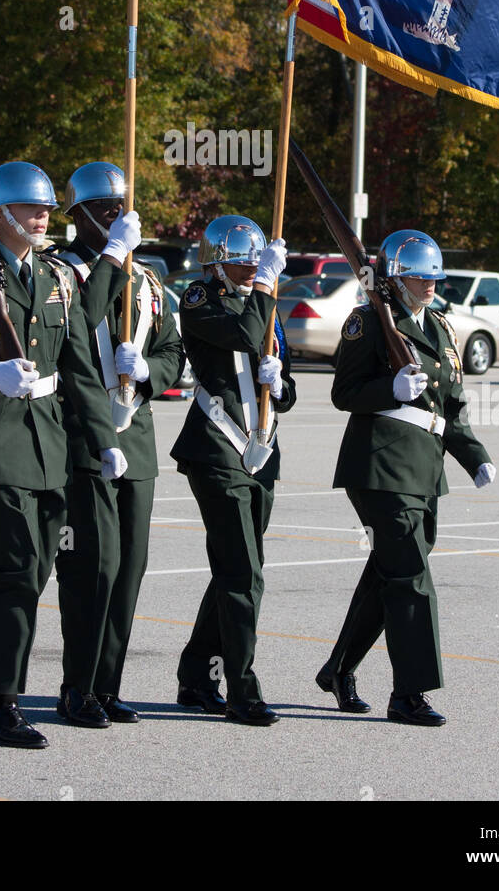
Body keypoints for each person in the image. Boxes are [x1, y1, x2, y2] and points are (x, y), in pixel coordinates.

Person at [0, 161, 132, 750]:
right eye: (31, 210)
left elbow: (78, 369)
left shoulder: (56, 278)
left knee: (31, 572)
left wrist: (104, 440)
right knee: (17, 567)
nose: (44, 218)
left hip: (47, 442)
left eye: (46, 209)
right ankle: (1, 704)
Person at [318, 229, 496, 727]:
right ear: (395, 278)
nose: (432, 284)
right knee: (412, 577)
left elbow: (451, 405)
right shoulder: (371, 321)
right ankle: (409, 693)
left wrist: (474, 456)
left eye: (435, 276)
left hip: (425, 467)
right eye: (421, 277)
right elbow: (346, 392)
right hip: (380, 465)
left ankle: (338, 669)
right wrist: (389, 389)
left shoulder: (440, 326)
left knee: (389, 573)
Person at [51, 162, 186, 727]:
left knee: (128, 568)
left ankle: (106, 685)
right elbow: (77, 323)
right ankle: (74, 687)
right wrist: (110, 258)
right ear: (76, 216)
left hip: (138, 436)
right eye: (102, 210)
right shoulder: (62, 272)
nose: (113, 217)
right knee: (92, 568)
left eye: (120, 208)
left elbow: (175, 350)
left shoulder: (149, 280)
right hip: (84, 436)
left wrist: (149, 369)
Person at [171, 215, 295, 727]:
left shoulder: (265, 306)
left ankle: (197, 675)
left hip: (262, 451)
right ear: (216, 262)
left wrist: (280, 381)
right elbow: (244, 332)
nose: (250, 268)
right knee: (244, 574)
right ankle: (242, 689)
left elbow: (286, 393)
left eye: (256, 261)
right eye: (242, 261)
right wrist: (265, 286)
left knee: (234, 570)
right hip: (217, 449)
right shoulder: (200, 299)